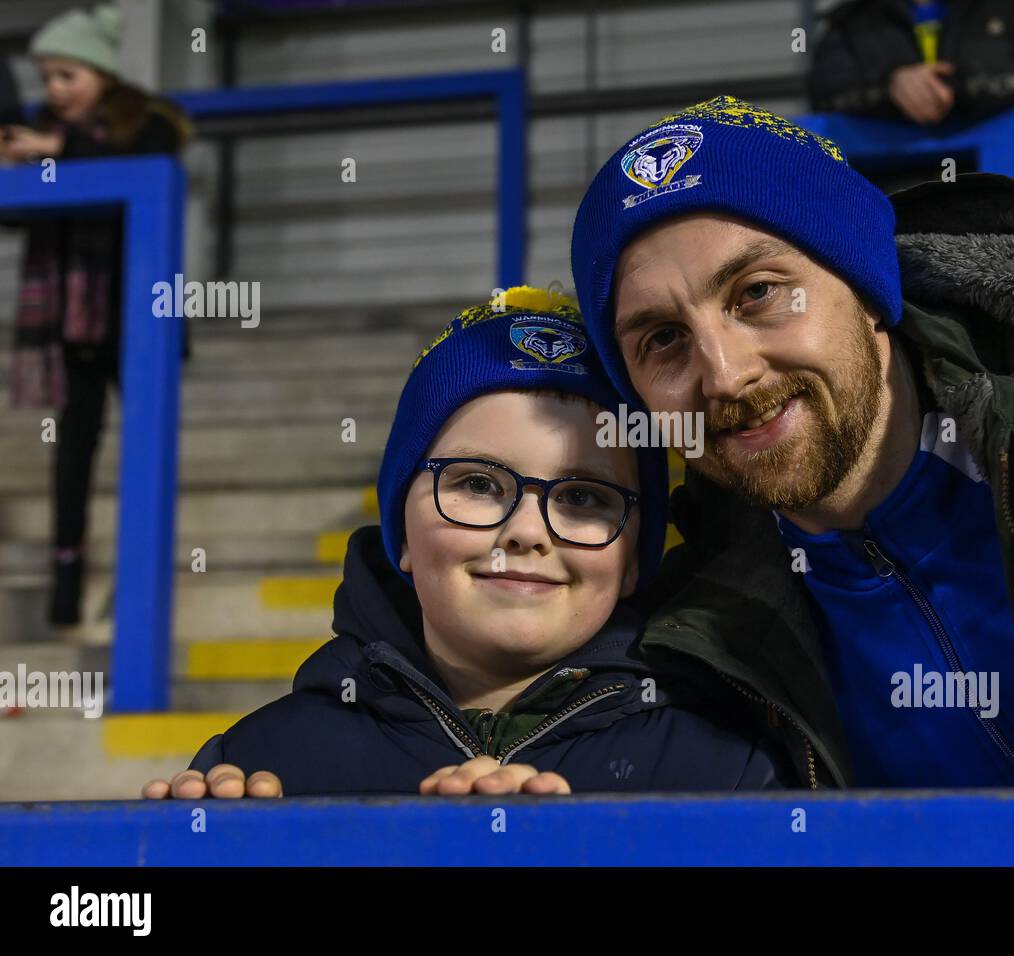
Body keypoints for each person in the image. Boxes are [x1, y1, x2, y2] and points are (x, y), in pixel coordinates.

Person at [569, 94, 1014, 787]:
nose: (724, 375)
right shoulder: (699, 643)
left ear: (867, 287)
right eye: (663, 339)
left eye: (758, 292)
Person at [143, 287, 804, 799]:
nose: (524, 530)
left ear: (634, 557)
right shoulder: (265, 766)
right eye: (479, 485)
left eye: (583, 497)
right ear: (403, 530)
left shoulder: (726, 771)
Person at [0, 4, 192, 626]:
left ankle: (144, 587)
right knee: (71, 456)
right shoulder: (40, 133)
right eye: (47, 78)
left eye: (67, 76)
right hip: (73, 328)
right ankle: (66, 588)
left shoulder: (150, 120)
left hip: (140, 323)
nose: (54, 92)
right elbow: (18, 215)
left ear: (103, 74)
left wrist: (60, 150)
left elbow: (149, 167)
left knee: (147, 452)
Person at [809, 0, 1014, 125]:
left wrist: (962, 85)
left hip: (996, 192)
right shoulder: (853, 20)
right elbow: (824, 94)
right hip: (892, 201)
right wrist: (890, 87)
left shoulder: (1003, 8)